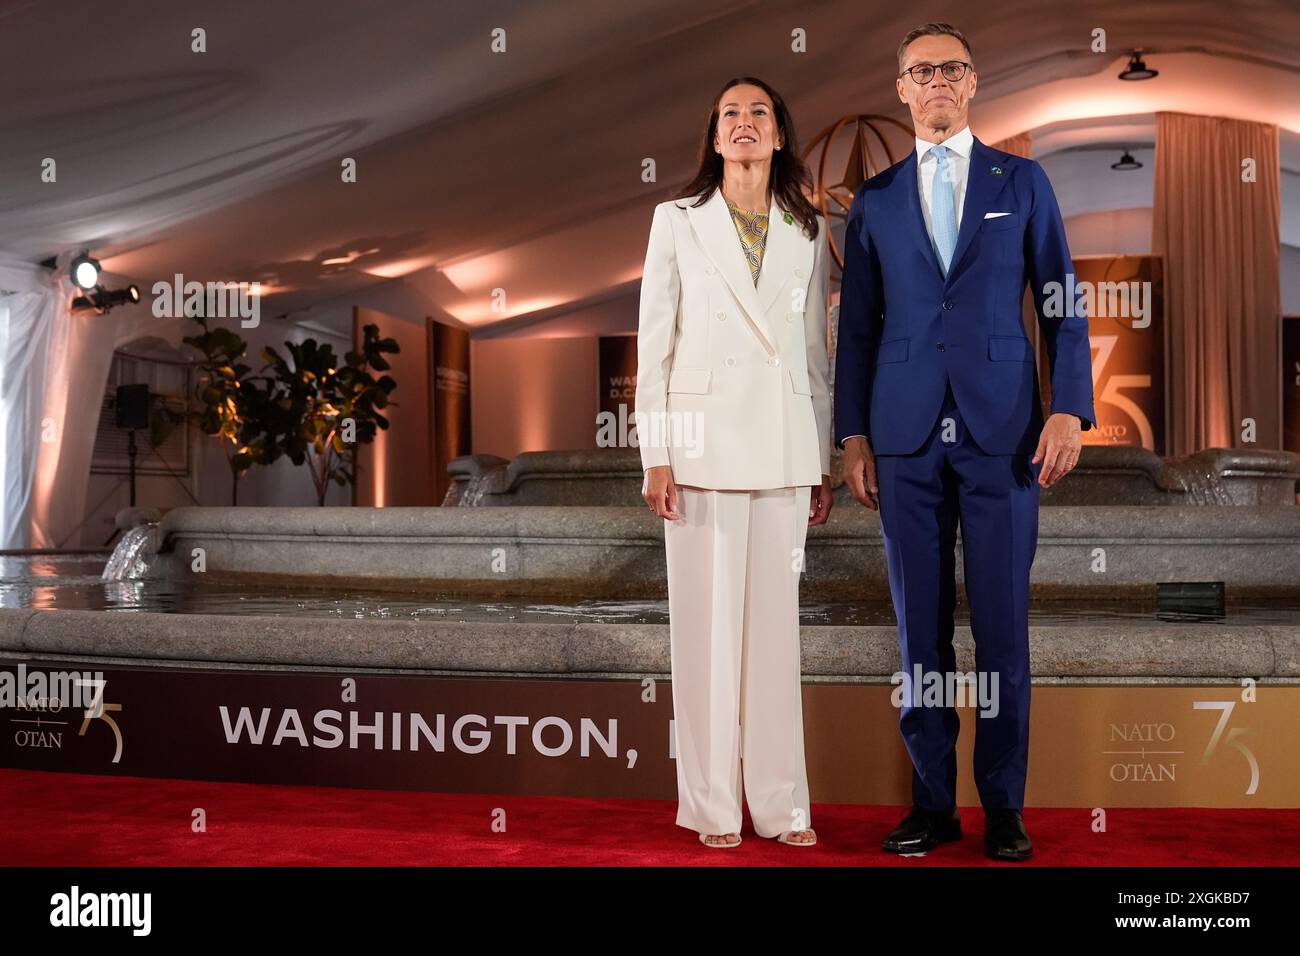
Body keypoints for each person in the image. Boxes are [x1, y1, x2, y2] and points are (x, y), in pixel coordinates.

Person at [834, 23, 1096, 861]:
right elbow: (860, 334)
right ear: (903, 89)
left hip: (1005, 434)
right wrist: (853, 434)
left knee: (1002, 629)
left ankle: (1005, 807)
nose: (937, 81)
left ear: (973, 82)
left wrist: (1070, 408)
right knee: (919, 634)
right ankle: (933, 805)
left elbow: (1058, 297)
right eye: (922, 71)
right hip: (904, 437)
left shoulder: (1023, 182)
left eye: (951, 67)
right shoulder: (874, 202)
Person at [635, 75, 833, 849]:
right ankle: (714, 810)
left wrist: (817, 460)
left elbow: (815, 356)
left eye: (759, 113)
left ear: (779, 134)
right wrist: (658, 454)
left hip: (783, 452)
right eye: (730, 115)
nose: (745, 124)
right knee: (705, 642)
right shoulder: (676, 220)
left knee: (775, 644)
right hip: (702, 452)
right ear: (714, 138)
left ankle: (783, 808)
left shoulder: (808, 229)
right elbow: (656, 346)